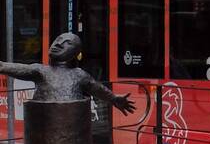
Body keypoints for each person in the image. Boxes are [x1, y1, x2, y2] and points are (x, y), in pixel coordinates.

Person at [0, 31, 134, 112]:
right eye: (58, 40)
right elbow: (11, 68)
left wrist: (114, 99)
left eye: (67, 43)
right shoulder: (40, 71)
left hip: (71, 131)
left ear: (76, 53)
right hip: (43, 130)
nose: (58, 44)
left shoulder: (80, 75)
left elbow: (97, 88)